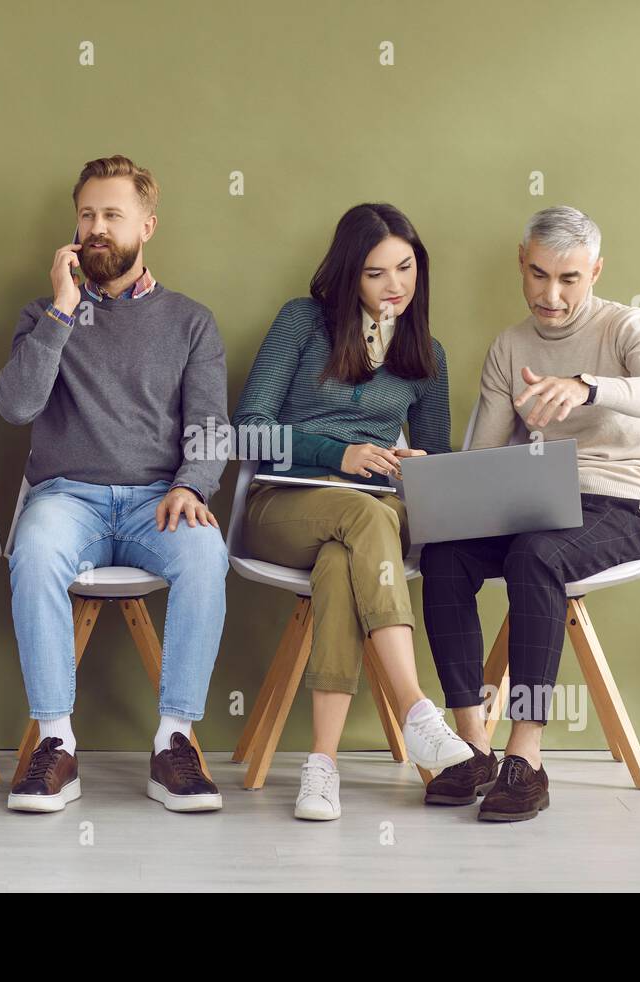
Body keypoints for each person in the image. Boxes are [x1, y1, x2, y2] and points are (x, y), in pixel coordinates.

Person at [420, 205, 640, 822]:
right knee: (444, 553)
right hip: (529, 504)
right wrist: (433, 475)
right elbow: (481, 458)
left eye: (569, 279)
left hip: (616, 507)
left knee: (536, 554)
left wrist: (587, 386)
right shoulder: (509, 347)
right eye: (538, 275)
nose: (552, 295)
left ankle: (526, 758)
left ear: (596, 271)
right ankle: (472, 747)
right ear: (522, 262)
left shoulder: (625, 327)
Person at [0, 155, 230, 814]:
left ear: (147, 226)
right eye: (88, 215)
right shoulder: (44, 313)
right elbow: (15, 406)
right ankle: (56, 744)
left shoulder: (191, 322)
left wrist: (193, 485)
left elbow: (212, 427)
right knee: (34, 551)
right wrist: (63, 313)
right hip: (67, 498)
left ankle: (174, 742)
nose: (97, 228)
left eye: (113, 216)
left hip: (160, 501)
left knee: (207, 555)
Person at [231, 203, 472, 822]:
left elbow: (439, 462)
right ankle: (418, 709)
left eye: (406, 267)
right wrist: (340, 455)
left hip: (370, 519)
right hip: (283, 505)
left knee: (343, 562)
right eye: (375, 273)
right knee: (364, 524)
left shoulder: (427, 354)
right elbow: (247, 432)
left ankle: (321, 766)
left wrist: (413, 463)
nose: (396, 285)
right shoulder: (302, 322)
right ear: (348, 276)